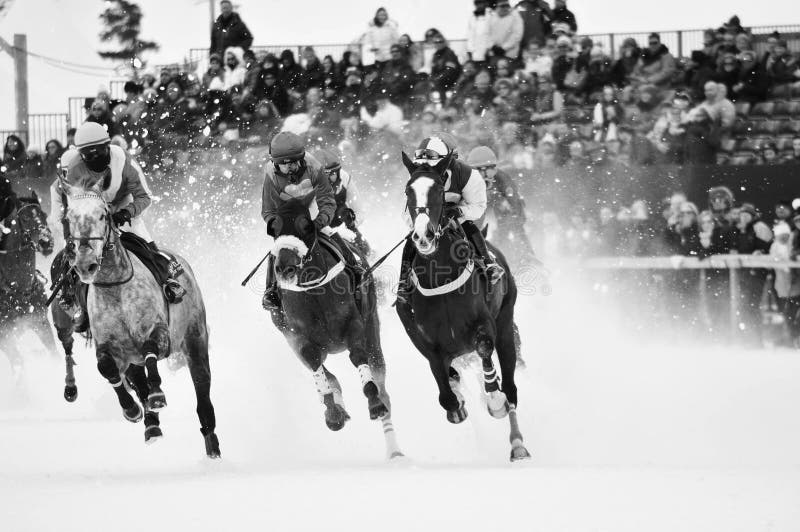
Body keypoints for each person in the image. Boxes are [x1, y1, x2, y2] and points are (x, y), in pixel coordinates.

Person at [54, 124, 186, 332]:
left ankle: (167, 281)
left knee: (146, 244)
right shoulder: (74, 168)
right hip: (91, 216)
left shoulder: (124, 161)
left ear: (108, 146)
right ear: (81, 154)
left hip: (122, 207)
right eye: (88, 154)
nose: (94, 157)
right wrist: (71, 234)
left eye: (99, 151)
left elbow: (144, 197)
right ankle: (74, 300)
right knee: (73, 255)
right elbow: (70, 204)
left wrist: (126, 213)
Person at [261, 132, 365, 314]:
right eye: (285, 165)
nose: (290, 168)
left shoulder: (314, 167)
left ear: (301, 158)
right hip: (288, 218)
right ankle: (271, 291)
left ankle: (354, 269)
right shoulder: (270, 174)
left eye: (294, 163)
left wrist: (320, 222)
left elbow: (327, 200)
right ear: (275, 164)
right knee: (276, 250)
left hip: (312, 210)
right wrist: (276, 225)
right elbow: (268, 209)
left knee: (331, 234)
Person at [396, 135, 504, 304]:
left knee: (469, 226)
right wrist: (418, 224)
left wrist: (459, 212)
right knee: (413, 238)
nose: (425, 169)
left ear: (446, 163)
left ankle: (488, 263)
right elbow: (407, 210)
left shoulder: (467, 175)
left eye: (431, 165)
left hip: (457, 216)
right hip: (429, 217)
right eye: (421, 165)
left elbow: (478, 206)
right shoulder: (417, 176)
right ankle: (403, 281)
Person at [466, 145, 534, 259]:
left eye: (490, 170)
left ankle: (526, 257)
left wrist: (500, 201)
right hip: (476, 226)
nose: (486, 176)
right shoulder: (465, 182)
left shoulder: (503, 179)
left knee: (513, 225)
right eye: (480, 171)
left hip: (502, 226)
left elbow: (517, 210)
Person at [314, 148, 369, 256]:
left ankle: (366, 253)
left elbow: (359, 209)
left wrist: (352, 223)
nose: (328, 179)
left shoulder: (345, 178)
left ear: (338, 172)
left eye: (332, 174)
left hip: (340, 220)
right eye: (324, 176)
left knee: (364, 248)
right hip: (317, 222)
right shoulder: (308, 185)